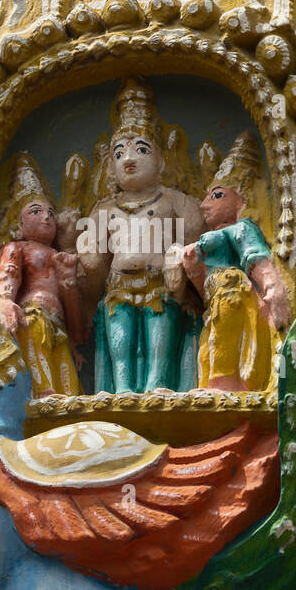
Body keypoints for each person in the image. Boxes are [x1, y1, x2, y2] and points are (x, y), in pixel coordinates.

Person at [74, 79, 203, 393]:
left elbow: (193, 232)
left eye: (141, 150)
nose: (128, 158)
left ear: (161, 161)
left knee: (160, 345)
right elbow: (92, 254)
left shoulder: (173, 199)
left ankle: (159, 388)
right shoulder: (105, 207)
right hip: (118, 287)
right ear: (110, 166)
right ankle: (123, 391)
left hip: (160, 284)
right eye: (119, 154)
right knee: (120, 345)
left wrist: (177, 260)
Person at [180, 132, 292, 392]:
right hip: (215, 305)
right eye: (206, 196)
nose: (204, 204)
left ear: (242, 198)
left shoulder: (241, 229)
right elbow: (202, 293)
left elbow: (255, 258)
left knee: (223, 338)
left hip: (232, 298)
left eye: (216, 196)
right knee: (210, 341)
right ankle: (211, 382)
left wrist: (272, 285)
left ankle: (224, 382)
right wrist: (192, 268)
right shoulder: (211, 237)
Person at [0, 154, 85, 397]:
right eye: (36, 211)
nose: (46, 217)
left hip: (59, 325)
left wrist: (69, 282)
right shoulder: (16, 248)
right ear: (18, 225)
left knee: (69, 385)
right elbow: (7, 274)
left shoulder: (60, 256)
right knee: (40, 373)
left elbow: (77, 322)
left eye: (51, 213)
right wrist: (3, 301)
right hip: (32, 318)